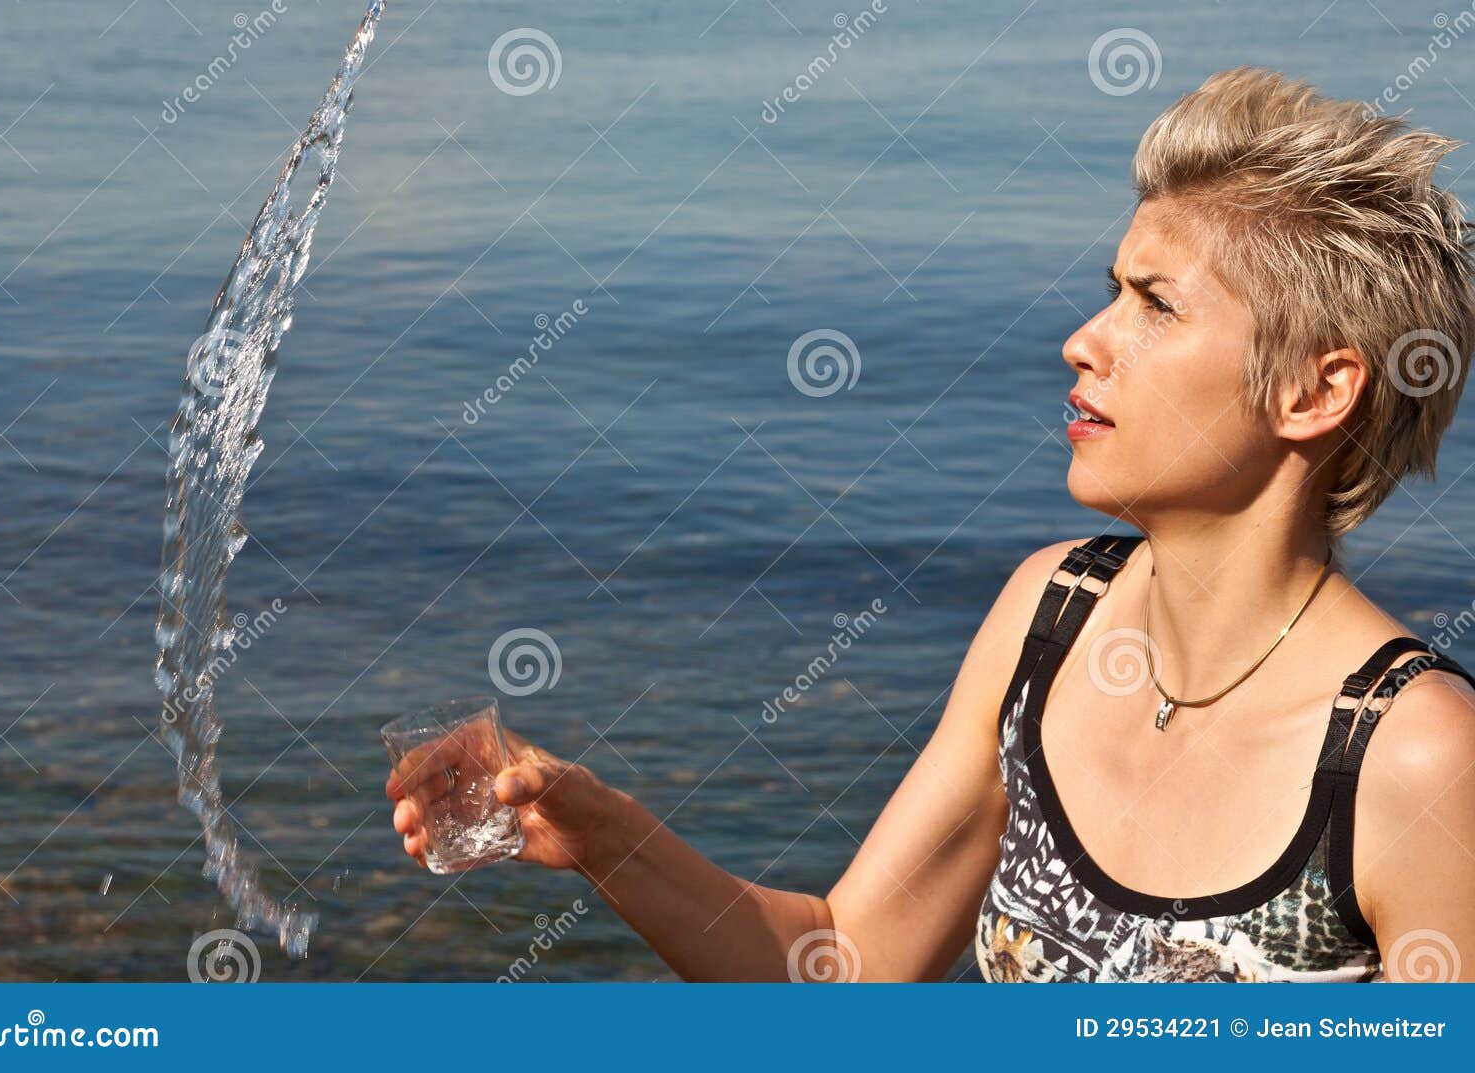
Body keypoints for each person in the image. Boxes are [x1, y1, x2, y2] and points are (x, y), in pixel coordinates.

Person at [387, 67, 1475, 982]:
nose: (1082, 341)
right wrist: (600, 831)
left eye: (1155, 304)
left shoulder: (1410, 753)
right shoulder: (1051, 620)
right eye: (1111, 292)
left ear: (1313, 392)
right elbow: (843, 962)